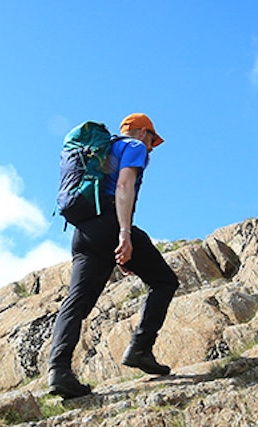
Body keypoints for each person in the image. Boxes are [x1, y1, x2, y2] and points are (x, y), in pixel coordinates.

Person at [48, 113, 180, 398]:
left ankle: (59, 371)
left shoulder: (101, 150)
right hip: (109, 222)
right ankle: (140, 348)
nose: (151, 147)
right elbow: (124, 187)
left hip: (82, 232)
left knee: (76, 303)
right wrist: (124, 234)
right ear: (143, 133)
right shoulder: (134, 148)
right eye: (152, 140)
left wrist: (120, 252)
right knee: (164, 281)